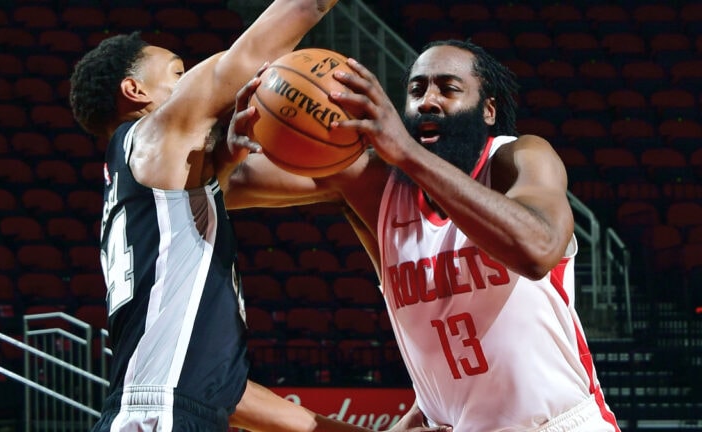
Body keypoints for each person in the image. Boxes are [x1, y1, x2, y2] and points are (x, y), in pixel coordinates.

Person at [68, 1, 448, 431]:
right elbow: (267, 40)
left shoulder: (152, 207)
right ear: (136, 92)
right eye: (178, 73)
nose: (190, 78)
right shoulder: (153, 133)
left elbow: (232, 399)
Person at [222, 39, 621, 431]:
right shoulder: (376, 185)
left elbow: (538, 250)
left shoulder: (517, 158)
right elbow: (224, 184)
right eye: (416, 90)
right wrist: (231, 143)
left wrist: (407, 153)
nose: (428, 100)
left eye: (448, 89)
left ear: (488, 109)